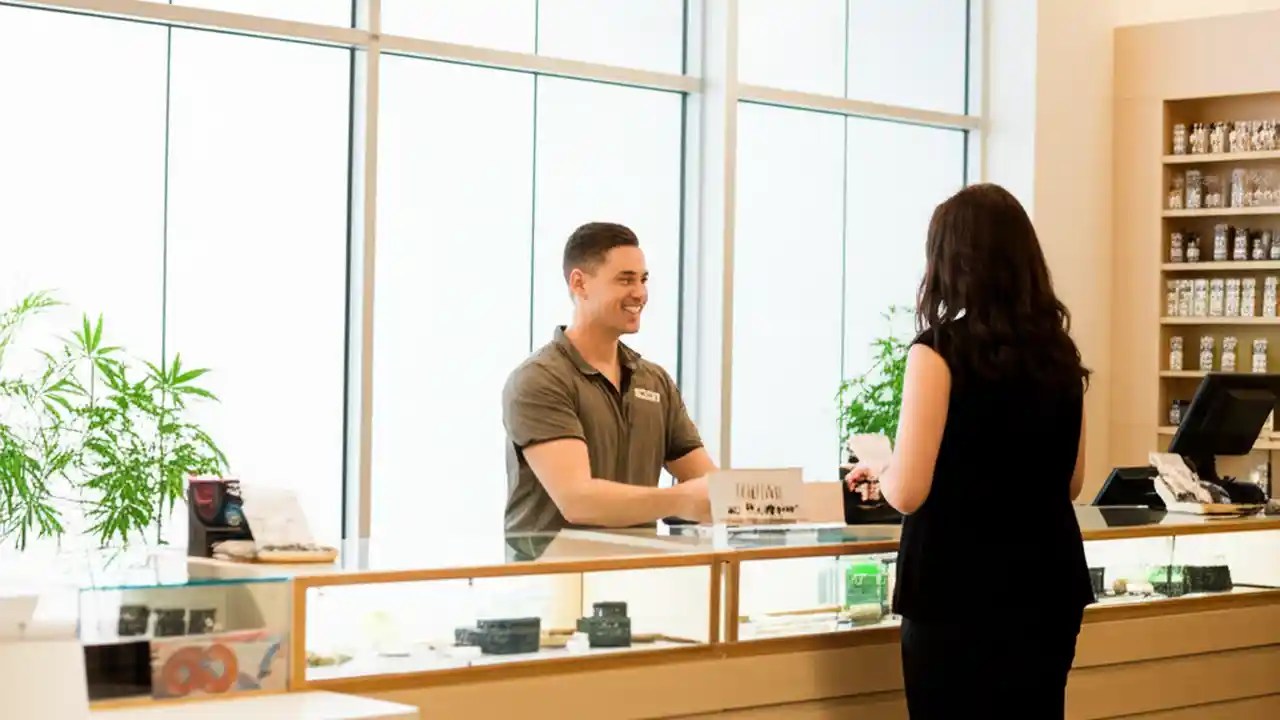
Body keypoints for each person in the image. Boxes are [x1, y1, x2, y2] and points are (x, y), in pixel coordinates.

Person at [846, 184, 1094, 718]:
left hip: (956, 589)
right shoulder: (1059, 353)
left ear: (949, 262)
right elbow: (1071, 482)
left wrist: (883, 465)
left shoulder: (938, 351)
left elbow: (909, 491)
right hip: (1048, 586)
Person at [502, 222, 716, 533]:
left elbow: (707, 482)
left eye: (643, 280)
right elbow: (578, 500)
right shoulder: (539, 380)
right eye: (625, 280)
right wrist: (681, 499)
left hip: (633, 575)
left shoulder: (654, 381)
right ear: (580, 283)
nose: (640, 293)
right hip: (555, 578)